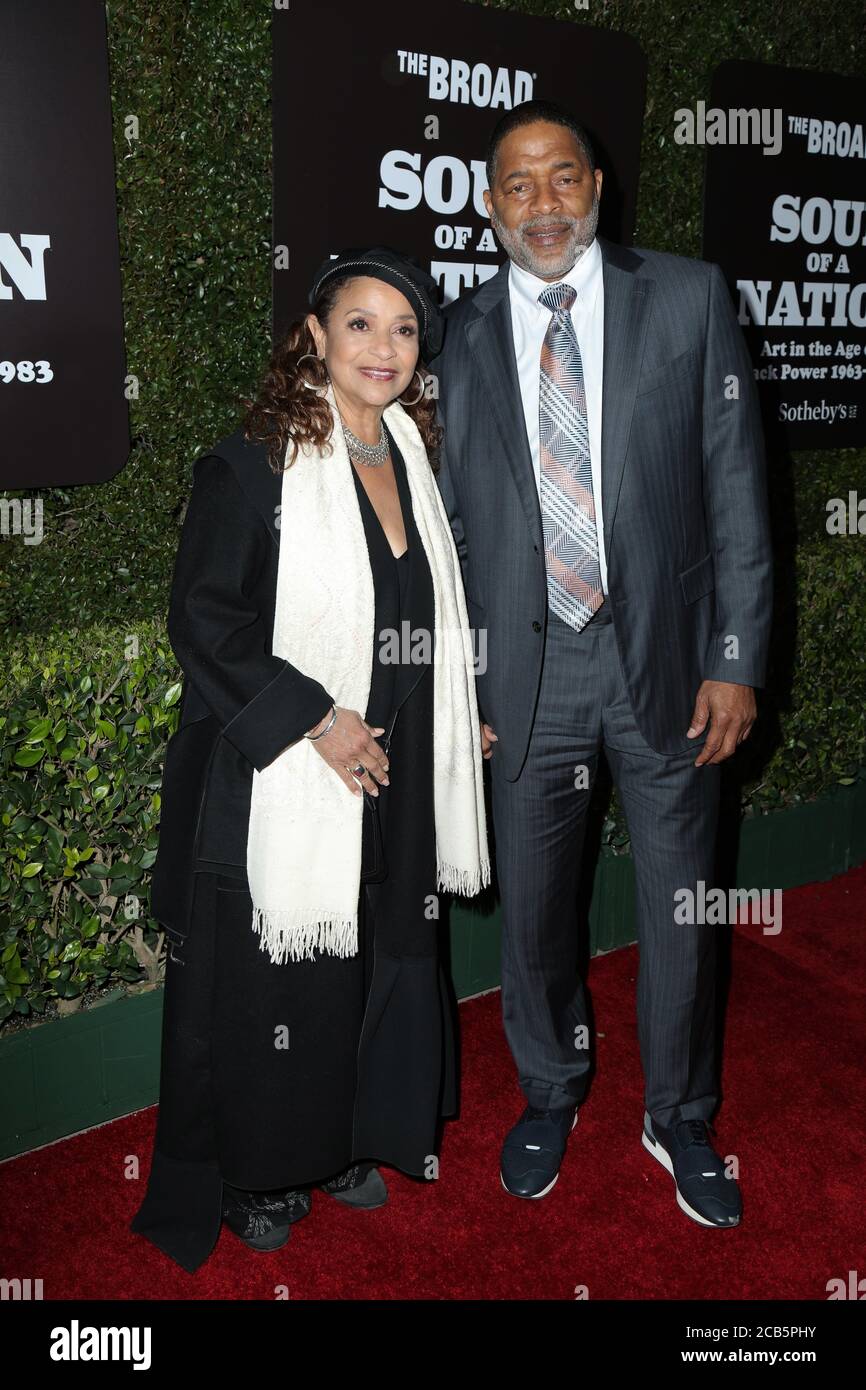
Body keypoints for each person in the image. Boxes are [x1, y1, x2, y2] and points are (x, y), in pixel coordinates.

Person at [430, 100, 772, 1226]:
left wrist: (734, 656)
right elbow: (451, 531)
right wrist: (459, 679)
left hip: (669, 662)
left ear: (597, 187)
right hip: (527, 673)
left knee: (682, 903)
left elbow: (733, 486)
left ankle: (677, 1114)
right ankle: (549, 1090)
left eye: (561, 177)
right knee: (534, 912)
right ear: (489, 208)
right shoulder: (458, 330)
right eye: (516, 185)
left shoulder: (686, 296)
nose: (542, 202)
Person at [130, 246, 489, 1272]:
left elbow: (421, 616)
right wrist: (313, 718)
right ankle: (256, 1171)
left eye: (404, 328)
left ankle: (335, 1144)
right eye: (361, 324)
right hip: (278, 775)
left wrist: (455, 713)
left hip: (390, 771)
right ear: (316, 337)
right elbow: (204, 618)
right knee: (275, 982)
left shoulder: (416, 464)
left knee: (368, 960)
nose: (383, 346)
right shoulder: (251, 462)